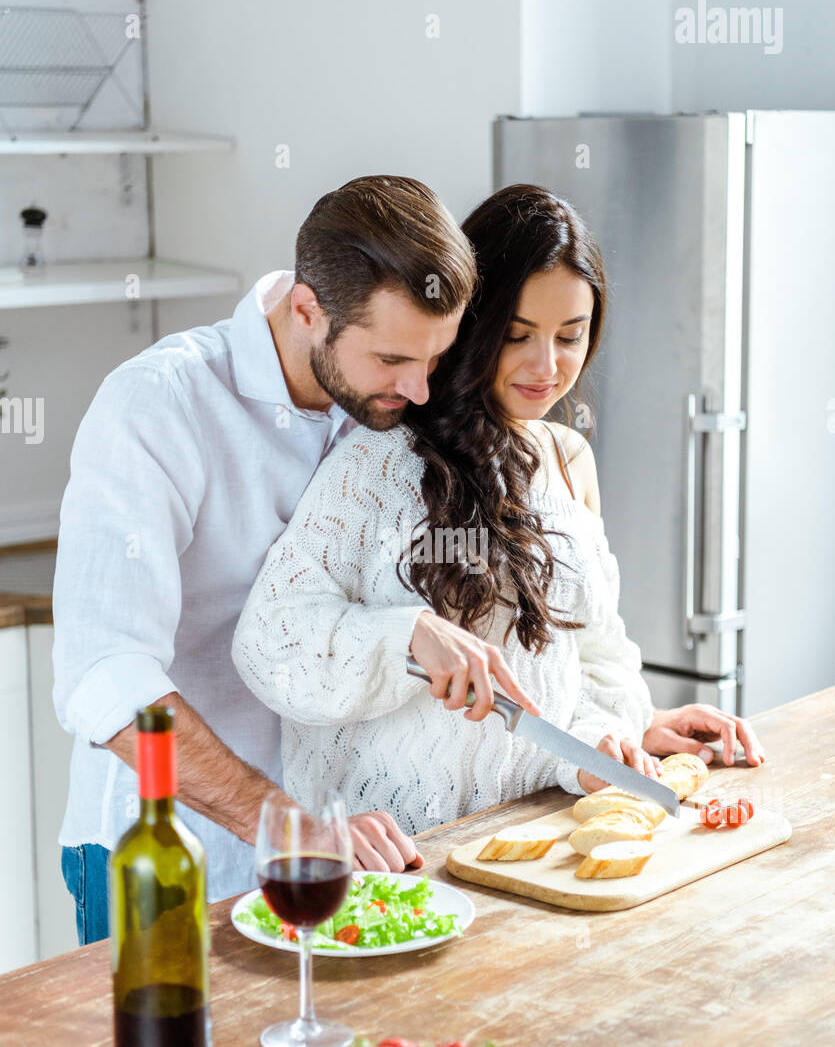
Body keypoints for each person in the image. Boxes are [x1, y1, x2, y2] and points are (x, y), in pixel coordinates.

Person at [232, 185, 764, 833]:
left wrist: (599, 738)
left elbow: (593, 655)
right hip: (395, 856)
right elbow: (269, 644)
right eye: (517, 336)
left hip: (532, 840)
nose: (547, 366)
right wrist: (404, 636)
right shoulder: (373, 464)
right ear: (468, 327)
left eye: (571, 336)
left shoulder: (567, 462)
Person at [53, 174, 498, 944]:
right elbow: (103, 673)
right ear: (305, 310)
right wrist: (286, 824)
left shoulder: (383, 410)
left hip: (338, 847)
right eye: (393, 357)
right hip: (171, 855)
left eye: (434, 357)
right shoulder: (159, 406)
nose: (420, 389)